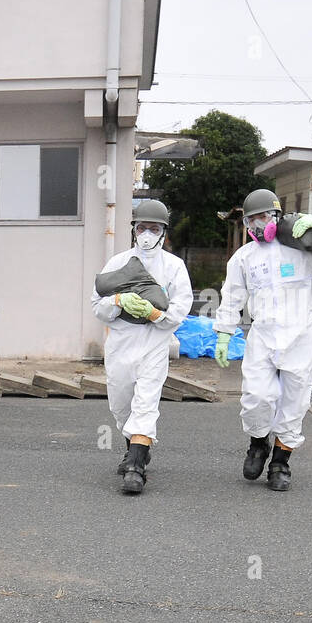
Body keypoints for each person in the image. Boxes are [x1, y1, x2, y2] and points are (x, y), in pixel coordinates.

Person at [214, 188, 312, 491]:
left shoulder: (305, 249)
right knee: (256, 397)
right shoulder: (245, 257)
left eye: (263, 217)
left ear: (277, 217)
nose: (256, 225)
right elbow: (232, 296)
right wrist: (224, 333)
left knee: (294, 402)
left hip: (301, 336)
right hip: (263, 336)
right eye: (251, 220)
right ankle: (257, 444)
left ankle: (281, 462)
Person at [89, 199, 193, 493]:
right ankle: (137, 448)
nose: (147, 233)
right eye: (142, 227)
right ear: (134, 229)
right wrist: (117, 301)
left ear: (164, 232)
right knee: (122, 405)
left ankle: (135, 466)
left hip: (154, 342)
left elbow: (182, 305)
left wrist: (157, 314)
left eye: (154, 228)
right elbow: (96, 304)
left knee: (145, 402)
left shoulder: (174, 267)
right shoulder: (118, 262)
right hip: (121, 340)